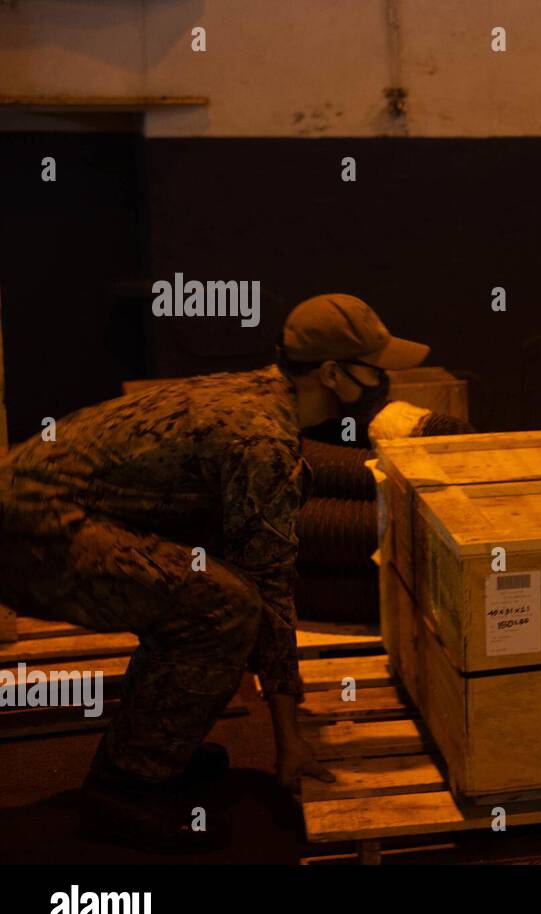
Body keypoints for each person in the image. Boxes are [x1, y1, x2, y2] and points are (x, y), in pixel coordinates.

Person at [0, 293, 428, 849]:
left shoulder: (256, 390)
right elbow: (271, 584)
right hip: (32, 530)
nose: (384, 382)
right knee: (223, 606)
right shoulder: (262, 441)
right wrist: (288, 736)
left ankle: (156, 741)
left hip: (35, 505)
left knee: (197, 589)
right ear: (333, 374)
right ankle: (125, 789)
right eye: (376, 369)